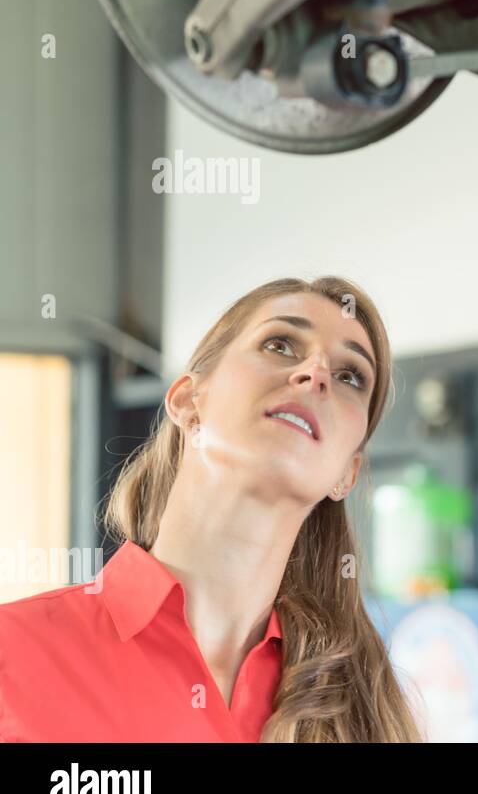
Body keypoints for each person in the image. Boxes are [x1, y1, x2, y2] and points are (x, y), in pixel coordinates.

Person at [0, 276, 421, 741]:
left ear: (348, 471)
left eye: (349, 376)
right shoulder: (12, 656)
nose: (316, 372)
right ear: (188, 401)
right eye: (280, 345)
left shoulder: (365, 714)